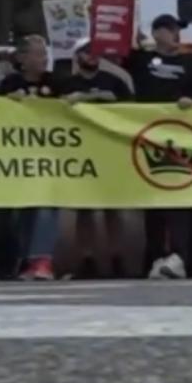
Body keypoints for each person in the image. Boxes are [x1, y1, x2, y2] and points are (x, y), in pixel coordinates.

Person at [124, 14, 192, 280]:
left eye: (178, 30)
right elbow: (110, 52)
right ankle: (155, 255)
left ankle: (179, 255)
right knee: (154, 201)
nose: (177, 34)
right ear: (157, 33)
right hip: (148, 137)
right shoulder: (141, 60)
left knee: (178, 196)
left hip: (182, 138)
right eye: (171, 29)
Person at [59, 43, 133, 279]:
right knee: (85, 208)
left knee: (112, 207)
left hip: (110, 149)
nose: (92, 57)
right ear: (77, 56)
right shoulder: (68, 84)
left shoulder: (114, 81)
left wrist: (97, 97)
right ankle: (87, 258)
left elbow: (134, 109)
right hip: (81, 150)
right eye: (86, 52)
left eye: (96, 52)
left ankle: (116, 256)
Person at [0, 36, 65, 281]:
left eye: (45, 54)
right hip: (19, 159)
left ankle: (43, 260)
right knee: (24, 212)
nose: (43, 59)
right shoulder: (9, 84)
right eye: (37, 54)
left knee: (47, 207)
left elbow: (70, 112)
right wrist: (6, 103)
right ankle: (26, 260)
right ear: (22, 59)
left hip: (50, 159)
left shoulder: (56, 82)